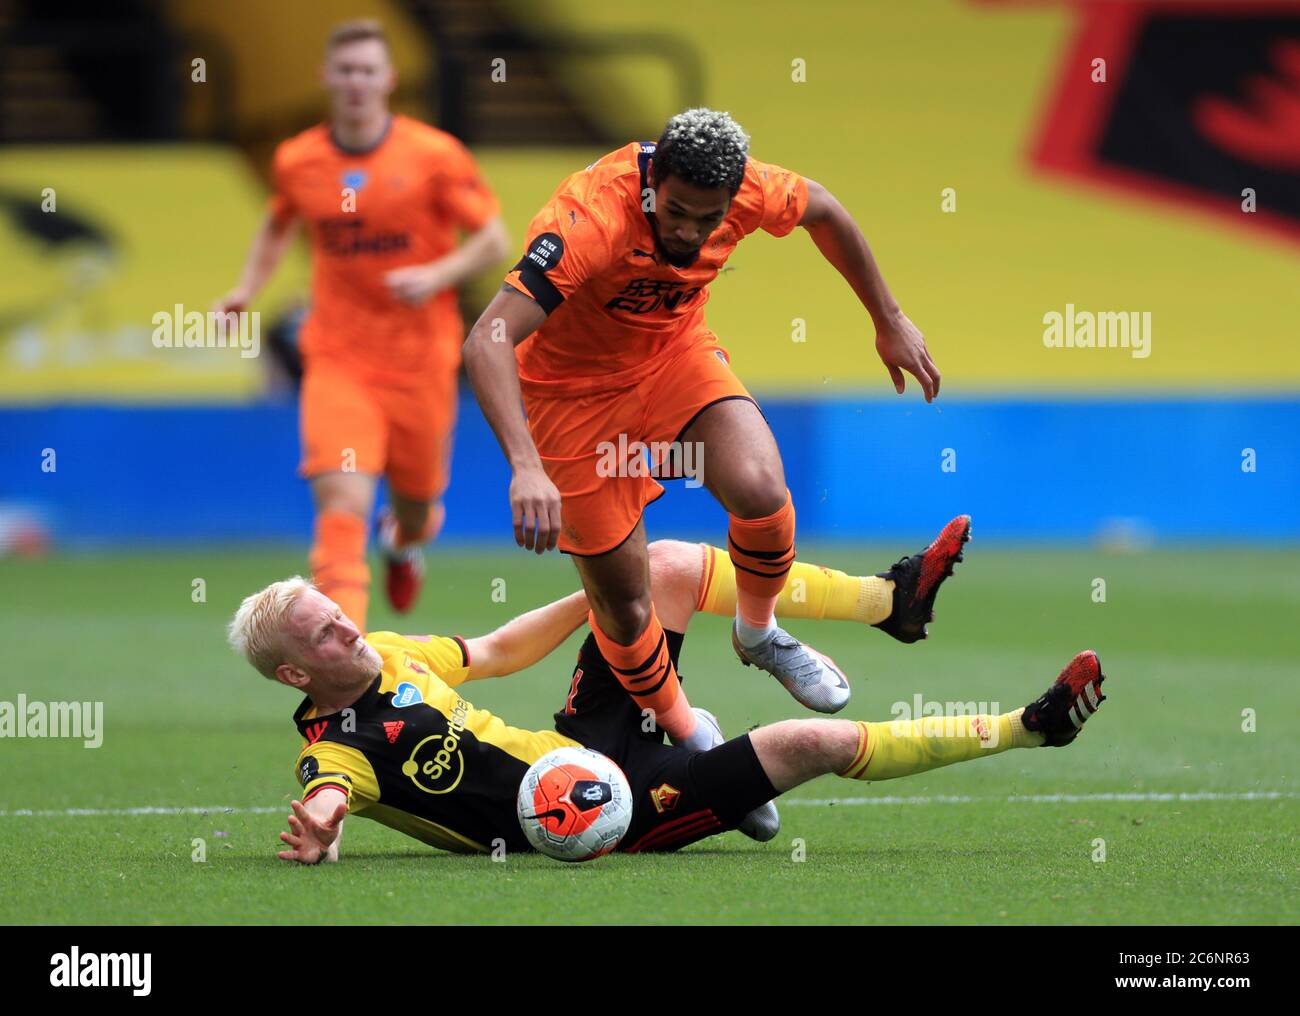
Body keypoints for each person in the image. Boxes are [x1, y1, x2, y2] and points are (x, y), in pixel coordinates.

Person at [463, 107, 944, 754]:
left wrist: (887, 319)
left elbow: (824, 209)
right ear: (652, 181)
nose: (689, 231)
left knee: (760, 487)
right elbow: (487, 339)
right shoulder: (590, 220)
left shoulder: (748, 188)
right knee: (628, 606)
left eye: (707, 218)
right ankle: (690, 733)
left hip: (671, 359)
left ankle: (758, 632)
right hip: (571, 399)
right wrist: (525, 466)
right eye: (676, 211)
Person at [227, 527, 1108, 863]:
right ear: (296, 675)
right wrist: (324, 818)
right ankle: (1030, 730)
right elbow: (330, 788)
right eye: (321, 633)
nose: (344, 626)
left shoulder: (384, 653)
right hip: (603, 816)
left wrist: (603, 591)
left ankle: (889, 603)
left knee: (668, 565)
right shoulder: (338, 744)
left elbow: (495, 648)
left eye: (333, 611)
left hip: (583, 743)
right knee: (813, 744)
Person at [215, 18, 509, 630]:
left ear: (388, 80)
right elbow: (277, 226)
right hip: (338, 359)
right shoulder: (300, 161)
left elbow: (491, 239)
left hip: (420, 362)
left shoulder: (432, 155)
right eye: (345, 70)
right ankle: (342, 665)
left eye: (367, 71)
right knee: (340, 509)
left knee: (419, 507)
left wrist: (436, 275)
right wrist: (245, 289)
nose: (355, 82)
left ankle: (403, 543)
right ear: (327, 77)